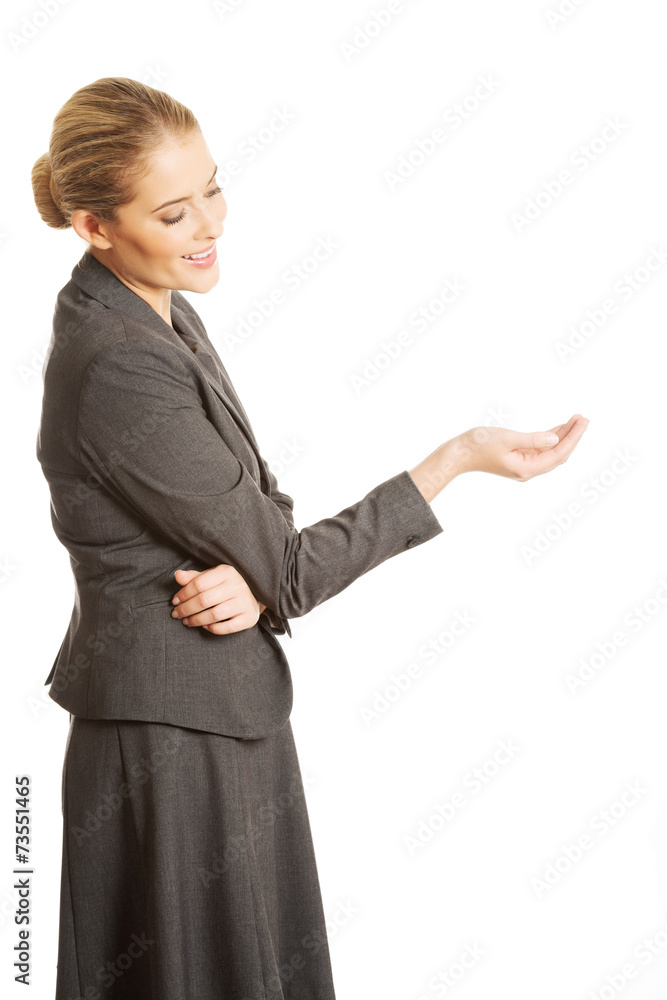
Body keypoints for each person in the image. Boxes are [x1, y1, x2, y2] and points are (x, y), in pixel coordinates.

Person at [32, 76, 589, 1000]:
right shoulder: (119, 360)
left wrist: (258, 580)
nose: (210, 222)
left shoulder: (160, 309)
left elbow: (263, 514)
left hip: (220, 714)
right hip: (172, 735)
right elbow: (285, 562)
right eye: (174, 211)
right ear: (95, 226)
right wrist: (450, 461)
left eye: (213, 186)